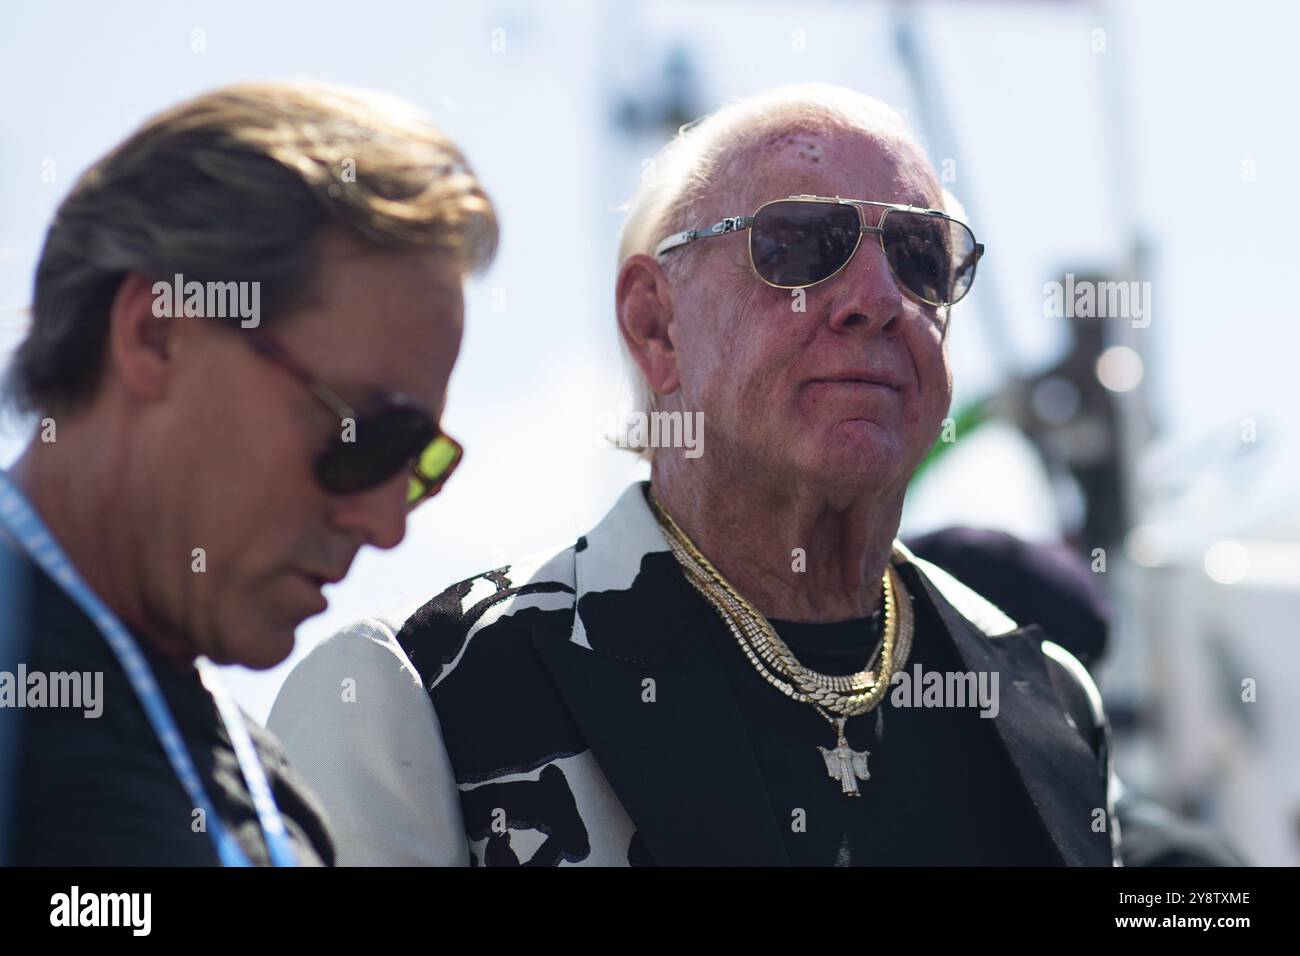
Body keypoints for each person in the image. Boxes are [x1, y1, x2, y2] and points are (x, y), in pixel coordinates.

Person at [269, 83, 1120, 866]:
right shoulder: (421, 695)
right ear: (656, 328)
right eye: (800, 244)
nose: (878, 294)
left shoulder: (1046, 699)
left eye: (919, 255)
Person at [0, 80, 497, 865]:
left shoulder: (271, 791)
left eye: (417, 463)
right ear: (156, 335)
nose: (387, 522)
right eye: (364, 434)